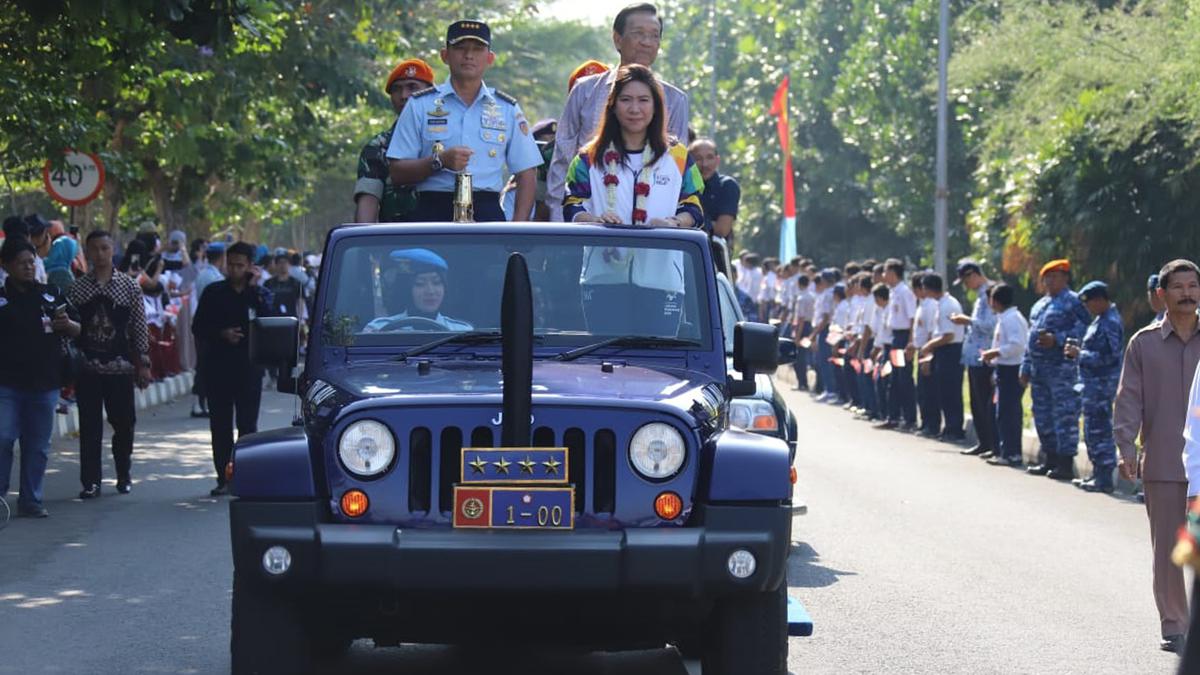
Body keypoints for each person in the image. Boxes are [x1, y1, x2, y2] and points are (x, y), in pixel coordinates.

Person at [562, 64, 704, 336]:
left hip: (662, 281)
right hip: (602, 279)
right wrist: (594, 220)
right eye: (626, 100)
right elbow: (572, 205)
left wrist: (674, 222)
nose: (635, 109)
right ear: (613, 106)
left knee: (655, 366)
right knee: (606, 366)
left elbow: (694, 207)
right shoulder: (588, 157)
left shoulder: (679, 156)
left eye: (643, 100)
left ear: (656, 107)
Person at [1113, 259, 1200, 652]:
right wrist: (1126, 446)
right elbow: (1129, 398)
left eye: (1193, 285)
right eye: (1179, 287)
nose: (1188, 293)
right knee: (1169, 550)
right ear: (1161, 295)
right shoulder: (1143, 344)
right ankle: (1175, 624)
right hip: (1164, 464)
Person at [387, 21, 542, 223]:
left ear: (490, 58)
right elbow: (397, 172)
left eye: (477, 49)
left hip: (487, 211)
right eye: (460, 48)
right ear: (445, 55)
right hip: (432, 210)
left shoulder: (507, 109)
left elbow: (527, 172)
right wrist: (439, 161)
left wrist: (518, 229)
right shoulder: (420, 105)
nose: (469, 55)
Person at [548, 2, 690, 221]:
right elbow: (563, 160)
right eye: (638, 33)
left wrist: (674, 227)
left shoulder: (675, 99)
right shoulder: (585, 90)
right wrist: (563, 224)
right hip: (589, 223)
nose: (646, 42)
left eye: (654, 35)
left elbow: (677, 173)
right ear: (617, 39)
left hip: (654, 229)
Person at [0, 237, 80, 517]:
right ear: (6, 265)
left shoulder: (51, 294)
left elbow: (78, 328)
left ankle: (31, 500)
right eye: (21, 263)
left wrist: (67, 324)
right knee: (3, 437)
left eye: (31, 262)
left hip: (45, 383)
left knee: (38, 446)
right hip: (6, 384)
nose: (28, 267)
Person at [68, 231, 152, 499]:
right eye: (94, 249)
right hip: (87, 369)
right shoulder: (77, 288)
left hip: (121, 368)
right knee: (90, 427)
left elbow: (139, 326)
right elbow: (68, 327)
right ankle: (90, 482)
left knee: (124, 424)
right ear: (87, 252)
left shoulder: (129, 286)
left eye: (105, 248)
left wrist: (144, 363)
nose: (100, 254)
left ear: (112, 249)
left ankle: (124, 474)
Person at [191, 242, 275, 496]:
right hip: (218, 367)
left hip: (249, 369)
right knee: (220, 425)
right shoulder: (214, 292)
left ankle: (247, 476)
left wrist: (254, 290)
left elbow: (270, 323)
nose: (235, 270)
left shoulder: (259, 294)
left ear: (250, 266)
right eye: (232, 264)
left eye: (241, 265)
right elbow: (198, 327)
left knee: (248, 426)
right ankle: (223, 477)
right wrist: (222, 333)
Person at [1021, 259, 1089, 480]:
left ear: (1065, 278)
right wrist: (1026, 365)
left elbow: (1085, 331)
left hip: (1062, 370)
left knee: (1064, 416)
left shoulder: (1074, 302)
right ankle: (1049, 459)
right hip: (1039, 370)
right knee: (1042, 415)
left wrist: (1057, 339)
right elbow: (1030, 337)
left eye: (1055, 277)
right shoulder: (1040, 304)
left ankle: (1065, 464)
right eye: (1047, 277)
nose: (1050, 281)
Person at [355, 58, 436, 224]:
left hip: (446, 239)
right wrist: (362, 247)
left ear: (431, 94)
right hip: (396, 242)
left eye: (413, 87)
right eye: (397, 89)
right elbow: (368, 203)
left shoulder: (445, 142)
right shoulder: (378, 147)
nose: (404, 96)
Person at [1065, 280, 1124, 493]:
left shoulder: (1110, 322)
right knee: (1092, 430)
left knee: (1100, 430)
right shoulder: (1100, 320)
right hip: (1092, 386)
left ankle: (1104, 477)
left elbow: (1110, 356)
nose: (1088, 308)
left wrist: (1080, 354)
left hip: (1101, 386)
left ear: (1100, 300)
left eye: (1090, 303)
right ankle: (1097, 473)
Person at [951, 260, 998, 457]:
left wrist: (967, 320)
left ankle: (992, 443)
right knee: (976, 402)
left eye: (966, 280)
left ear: (973, 274)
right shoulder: (980, 297)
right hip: (974, 356)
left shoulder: (991, 294)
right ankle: (983, 442)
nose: (966, 285)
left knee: (985, 401)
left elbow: (990, 324)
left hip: (986, 354)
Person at [364, 248, 473, 332]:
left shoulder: (461, 331)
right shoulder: (379, 329)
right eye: (420, 284)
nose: (431, 291)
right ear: (406, 289)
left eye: (437, 283)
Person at [981, 283, 1028, 466]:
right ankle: (1003, 449)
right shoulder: (1004, 318)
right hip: (1003, 368)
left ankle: (1012, 453)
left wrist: (996, 352)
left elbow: (1017, 345)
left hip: (1012, 369)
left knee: (1008, 413)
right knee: (1001, 412)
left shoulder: (1012, 319)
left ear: (996, 300)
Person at [918, 272, 966, 442]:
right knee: (944, 392)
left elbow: (948, 336)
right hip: (943, 350)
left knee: (951, 391)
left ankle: (955, 429)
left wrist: (929, 346)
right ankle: (949, 428)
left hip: (950, 350)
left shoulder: (948, 305)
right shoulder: (940, 303)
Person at [878, 259, 917, 430]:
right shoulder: (893, 292)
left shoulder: (905, 292)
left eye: (886, 272)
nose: (884, 276)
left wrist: (910, 342)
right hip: (895, 338)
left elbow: (912, 318)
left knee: (903, 378)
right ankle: (893, 416)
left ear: (893, 273)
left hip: (903, 338)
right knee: (893, 378)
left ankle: (909, 418)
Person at [688, 137, 741, 240]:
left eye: (710, 157)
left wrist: (689, 220)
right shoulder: (683, 187)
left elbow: (722, 230)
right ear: (690, 162)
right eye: (698, 159)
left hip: (714, 253)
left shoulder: (727, 186)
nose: (705, 164)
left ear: (717, 160)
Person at [909, 273, 940, 435]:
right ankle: (925, 422)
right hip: (921, 350)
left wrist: (928, 357)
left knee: (929, 391)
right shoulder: (922, 305)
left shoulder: (930, 306)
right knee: (921, 390)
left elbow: (930, 332)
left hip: (927, 351)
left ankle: (932, 425)